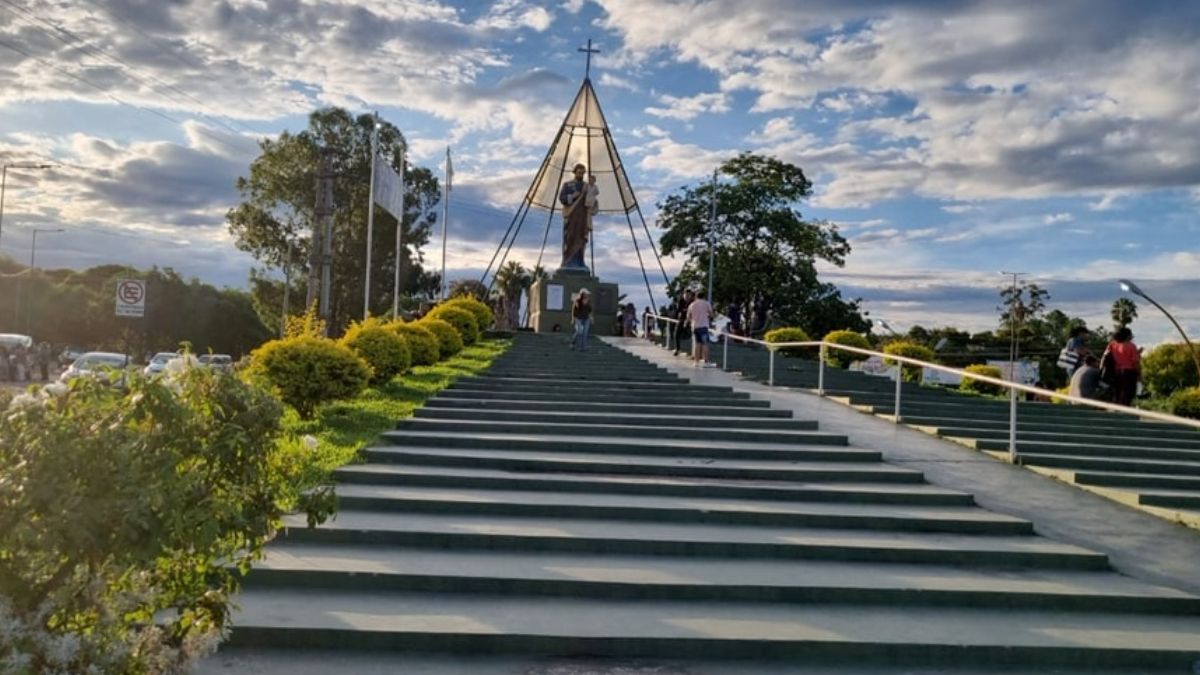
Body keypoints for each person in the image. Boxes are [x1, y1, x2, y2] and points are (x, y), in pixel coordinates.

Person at [559, 164, 598, 270]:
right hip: (571, 217)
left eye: (583, 173)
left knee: (582, 239)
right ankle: (568, 261)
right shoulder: (568, 185)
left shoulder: (587, 186)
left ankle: (580, 262)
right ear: (575, 172)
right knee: (570, 238)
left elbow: (592, 199)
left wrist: (592, 201)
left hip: (583, 217)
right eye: (579, 172)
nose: (581, 174)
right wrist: (572, 196)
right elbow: (562, 198)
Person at [1104, 327, 1141, 406]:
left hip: (1116, 372)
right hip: (1129, 372)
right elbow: (1135, 362)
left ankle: (1117, 408)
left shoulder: (1112, 344)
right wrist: (1140, 373)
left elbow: (1106, 355)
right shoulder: (1131, 346)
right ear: (1127, 336)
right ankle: (1125, 410)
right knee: (1128, 394)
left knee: (1118, 393)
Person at [687, 289, 715, 367]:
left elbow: (688, 317)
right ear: (704, 296)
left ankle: (696, 362)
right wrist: (708, 317)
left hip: (695, 326)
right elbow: (711, 314)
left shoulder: (692, 304)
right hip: (703, 326)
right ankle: (706, 362)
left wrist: (692, 321)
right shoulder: (706, 303)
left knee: (697, 344)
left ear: (696, 296)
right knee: (705, 344)